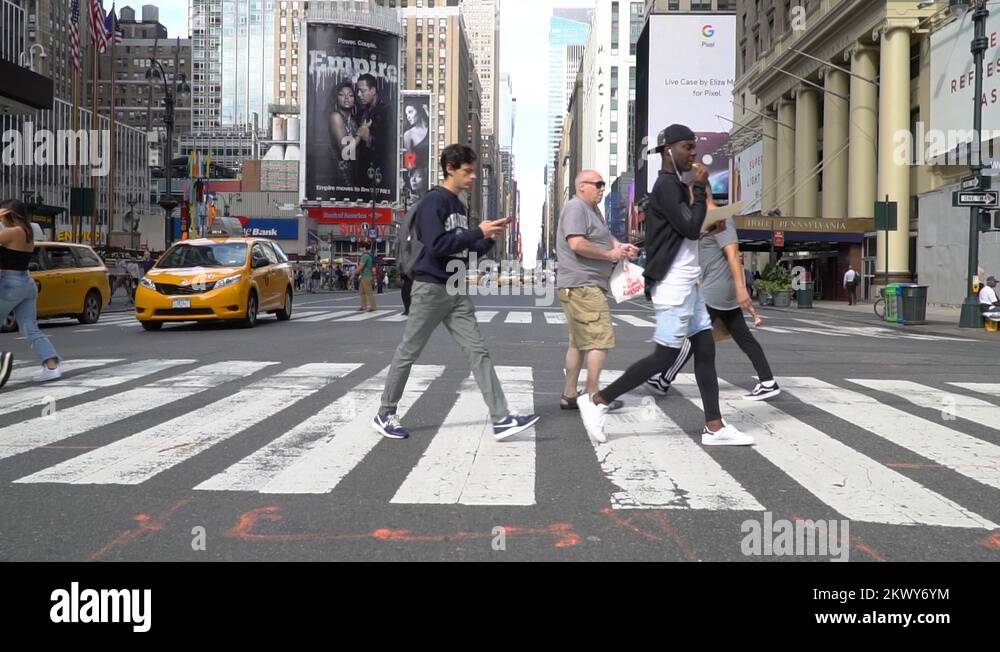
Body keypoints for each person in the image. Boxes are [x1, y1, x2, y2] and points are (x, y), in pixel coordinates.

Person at [576, 124, 753, 447]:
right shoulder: (667, 186)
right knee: (663, 357)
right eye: (687, 147)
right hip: (673, 285)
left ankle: (714, 426)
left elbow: (682, 231)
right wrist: (700, 189)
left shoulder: (675, 186)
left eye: (694, 147)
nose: (694, 153)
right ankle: (598, 401)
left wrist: (707, 229)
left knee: (705, 349)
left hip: (688, 283)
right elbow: (688, 227)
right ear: (669, 150)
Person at [372, 144, 540, 441]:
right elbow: (437, 245)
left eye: (474, 171)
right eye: (468, 171)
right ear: (450, 168)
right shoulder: (433, 202)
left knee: (478, 351)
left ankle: (501, 418)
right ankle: (385, 412)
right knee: (409, 352)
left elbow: (467, 250)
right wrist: (478, 232)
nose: (473, 177)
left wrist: (490, 237)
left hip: (456, 289)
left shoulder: (460, 206)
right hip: (430, 288)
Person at [647, 196, 779, 401]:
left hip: (716, 290)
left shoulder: (722, 218)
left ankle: (664, 378)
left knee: (692, 335)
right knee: (744, 337)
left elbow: (733, 254)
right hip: (718, 289)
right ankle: (768, 382)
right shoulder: (705, 221)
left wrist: (741, 288)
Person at [556, 169, 638, 411]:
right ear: (582, 186)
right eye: (598, 184)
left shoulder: (592, 210)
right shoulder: (576, 207)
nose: (602, 188)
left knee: (579, 343)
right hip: (583, 285)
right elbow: (577, 243)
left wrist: (620, 246)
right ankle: (594, 396)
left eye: (603, 185)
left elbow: (603, 235)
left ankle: (570, 394)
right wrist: (610, 254)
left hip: (582, 285)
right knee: (599, 340)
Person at [0, 199, 62, 388]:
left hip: (10, 283)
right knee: (30, 327)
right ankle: (52, 367)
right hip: (26, 282)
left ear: (8, 213)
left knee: (29, 327)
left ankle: (2, 361)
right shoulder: (28, 232)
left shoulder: (12, 232)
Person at [329, 81, 360, 189]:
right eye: (342, 94)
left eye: (350, 95)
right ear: (336, 98)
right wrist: (360, 135)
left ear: (355, 100)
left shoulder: (353, 122)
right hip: (340, 179)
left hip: (354, 177)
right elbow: (346, 152)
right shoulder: (336, 117)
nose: (346, 98)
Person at [354, 244, 377, 311]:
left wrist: (354, 274)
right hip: (365, 275)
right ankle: (363, 306)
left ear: (364, 248)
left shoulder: (365, 256)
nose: (360, 249)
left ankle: (373, 307)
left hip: (366, 275)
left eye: (360, 247)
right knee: (362, 291)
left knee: (369, 292)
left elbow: (361, 266)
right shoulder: (369, 255)